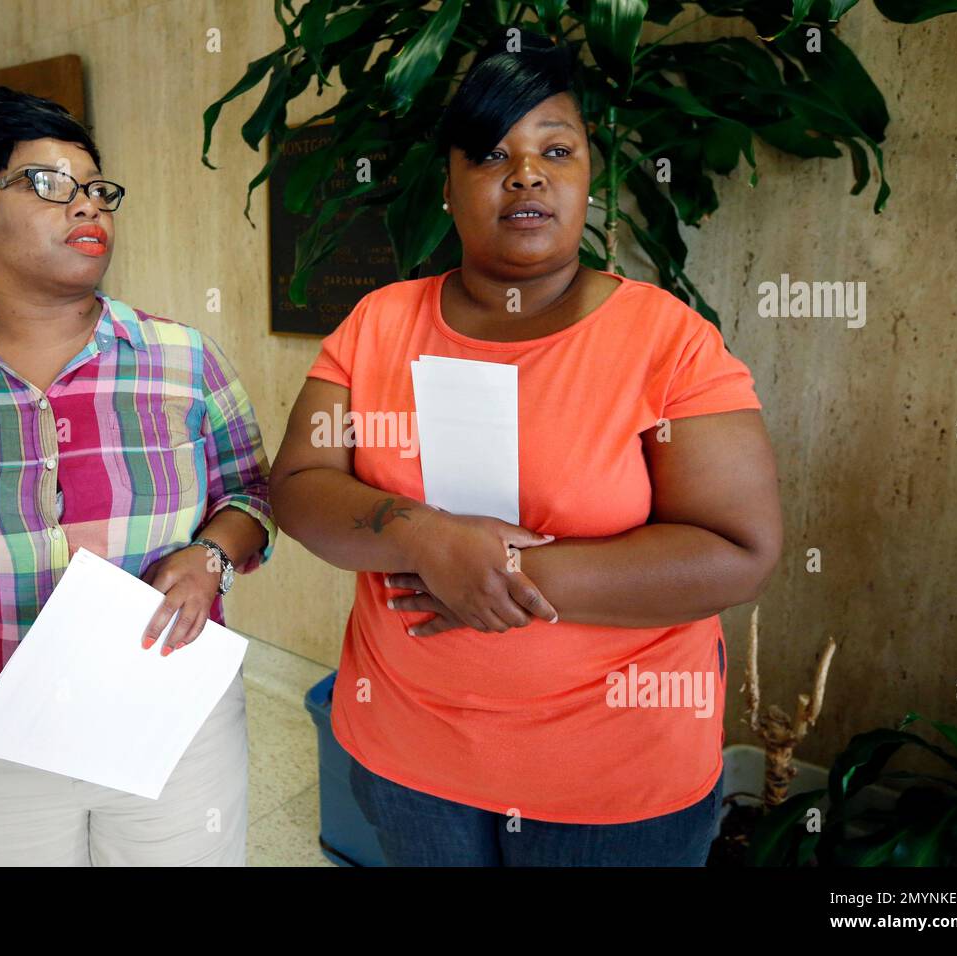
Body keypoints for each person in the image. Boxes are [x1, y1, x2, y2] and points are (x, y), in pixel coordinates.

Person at [269, 34, 782, 866]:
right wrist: (425, 537)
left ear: (589, 178)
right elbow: (298, 484)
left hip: (616, 782)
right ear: (448, 187)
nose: (526, 174)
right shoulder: (377, 325)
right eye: (489, 155)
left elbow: (737, 550)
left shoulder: (668, 341)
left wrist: (500, 576)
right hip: (409, 757)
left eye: (555, 149)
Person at [0, 86, 275, 865]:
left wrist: (210, 557)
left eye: (96, 188)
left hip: (168, 726)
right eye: (47, 185)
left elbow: (254, 496)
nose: (87, 207)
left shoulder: (184, 361)